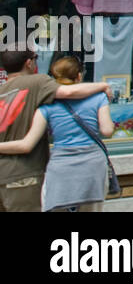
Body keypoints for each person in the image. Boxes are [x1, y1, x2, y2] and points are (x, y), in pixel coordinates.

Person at [0, 55, 115, 211]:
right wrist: (102, 87)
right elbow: (107, 130)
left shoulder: (46, 107)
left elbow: (26, 143)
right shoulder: (98, 98)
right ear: (79, 76)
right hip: (91, 167)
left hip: (59, 168)